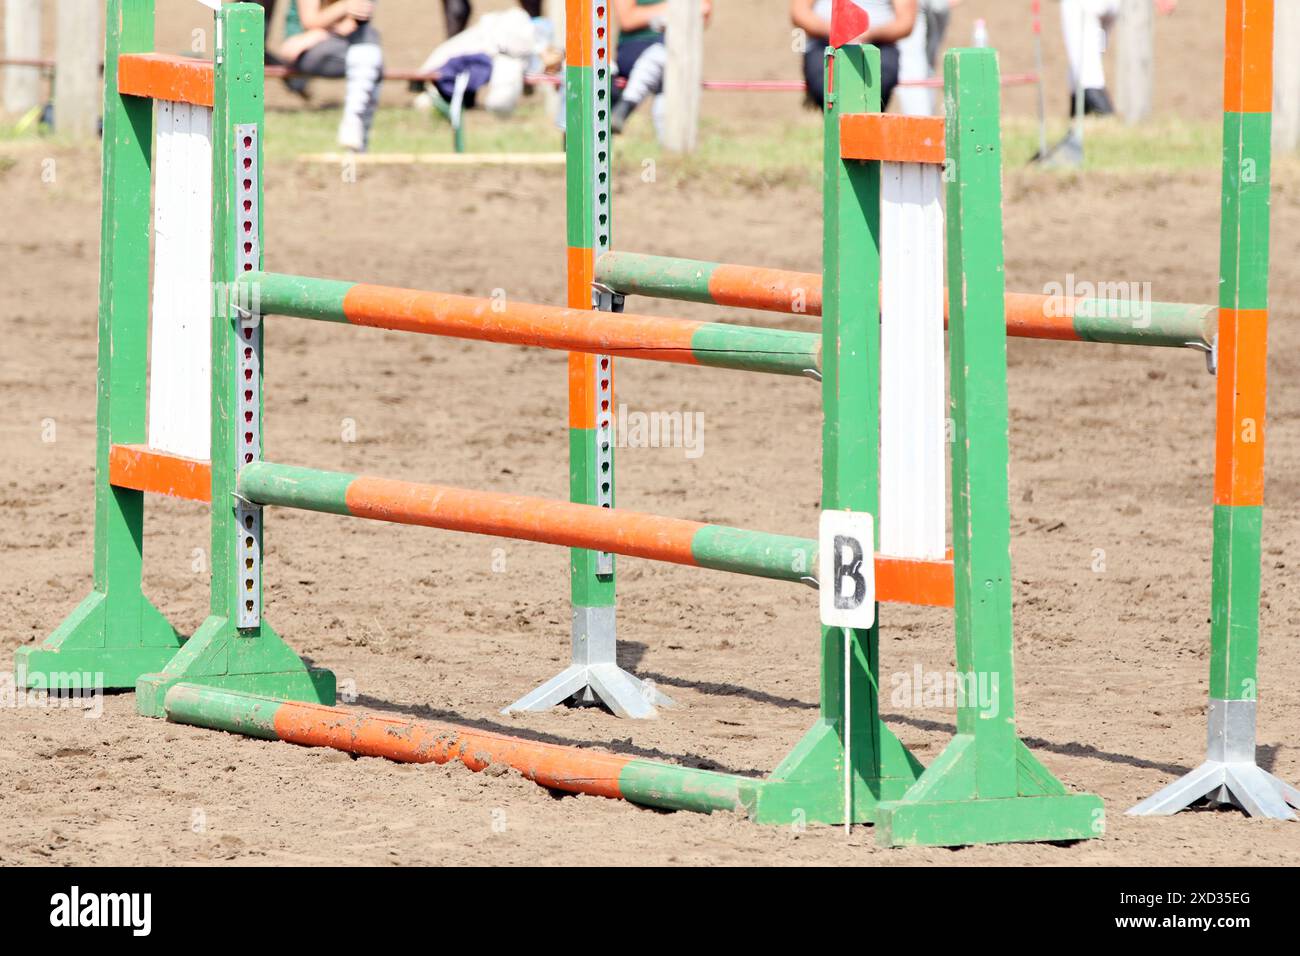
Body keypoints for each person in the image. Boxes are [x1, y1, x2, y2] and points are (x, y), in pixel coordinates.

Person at [276, 0, 385, 152]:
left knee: (370, 50)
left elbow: (353, 25)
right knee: (370, 57)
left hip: (340, 45)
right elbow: (309, 21)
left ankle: (356, 129)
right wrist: (345, 7)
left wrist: (327, 32)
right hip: (307, 50)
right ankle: (354, 125)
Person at [790, 0, 918, 111]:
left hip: (880, 45)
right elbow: (799, 13)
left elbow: (905, 22)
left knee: (877, 87)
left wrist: (867, 34)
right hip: (825, 44)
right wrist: (837, 32)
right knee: (828, 89)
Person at [608, 0, 712, 135]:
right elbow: (627, 19)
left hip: (676, 47)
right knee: (668, 63)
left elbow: (704, 11)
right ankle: (672, 150)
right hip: (636, 49)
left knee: (670, 57)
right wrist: (678, 8)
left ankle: (627, 103)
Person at [1061, 0, 1177, 116]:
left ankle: (1109, 118)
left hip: (1084, 5)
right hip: (1113, 6)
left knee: (1087, 72)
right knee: (1083, 64)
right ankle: (1076, 125)